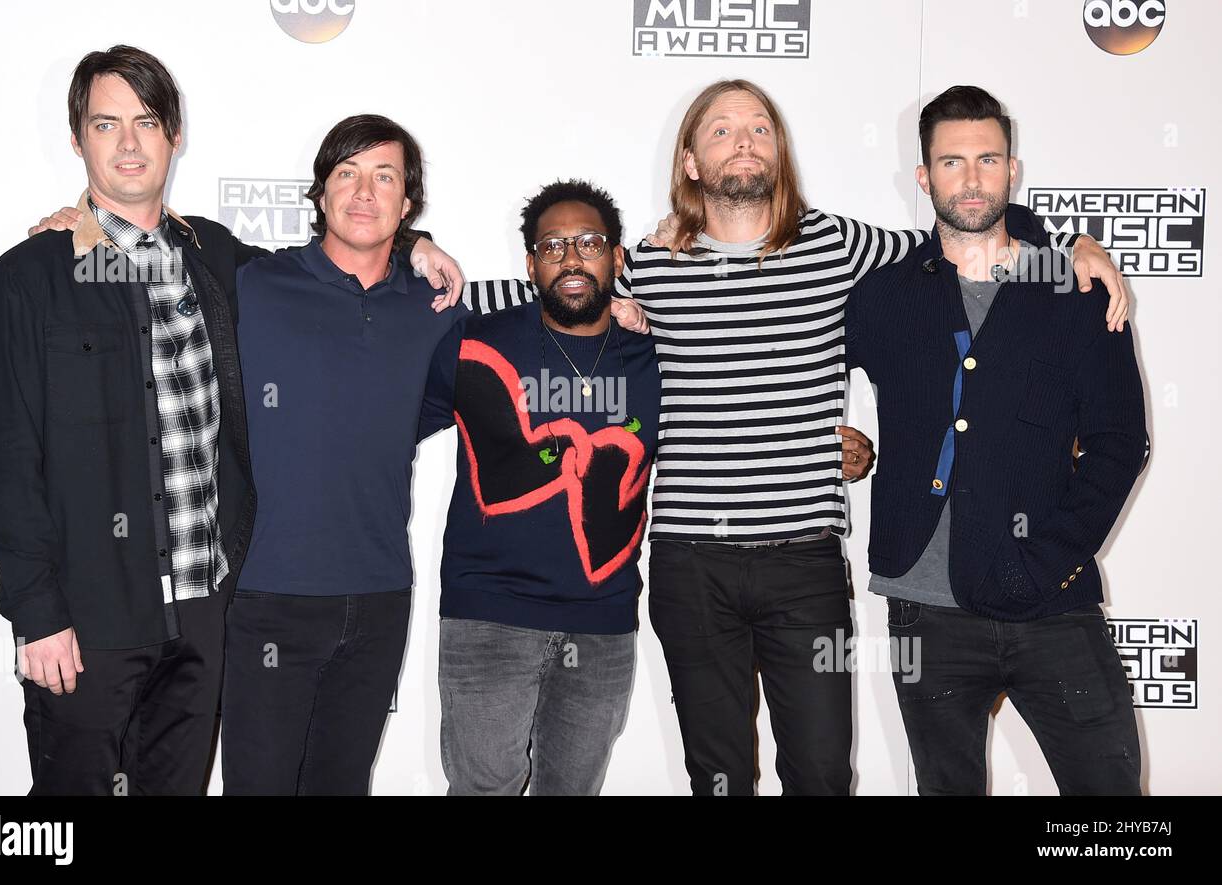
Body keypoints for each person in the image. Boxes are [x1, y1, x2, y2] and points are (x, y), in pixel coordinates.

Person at [474, 78, 1127, 796]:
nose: (743, 140)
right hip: (692, 565)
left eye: (758, 127)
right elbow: (547, 288)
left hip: (807, 563)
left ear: (778, 151)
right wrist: (413, 259)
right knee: (719, 777)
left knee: (821, 774)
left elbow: (966, 232)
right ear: (690, 161)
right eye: (720, 130)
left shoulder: (839, 247)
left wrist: (1069, 242)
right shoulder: (652, 267)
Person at [846, 85, 1147, 795]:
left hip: (1054, 600)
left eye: (988, 159)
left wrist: (1048, 562)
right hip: (925, 607)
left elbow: (1119, 442)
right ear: (923, 178)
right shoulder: (885, 296)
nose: (972, 178)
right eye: (951, 162)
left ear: (1013, 170)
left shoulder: (1075, 291)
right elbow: (785, 355)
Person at [0, 45, 256, 795]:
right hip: (86, 620)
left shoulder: (214, 261)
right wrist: (36, 612)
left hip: (202, 610)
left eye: (147, 122)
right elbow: (7, 459)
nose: (129, 143)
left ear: (175, 135)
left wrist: (414, 245)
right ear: (77, 139)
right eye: (107, 124)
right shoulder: (26, 281)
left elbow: (327, 268)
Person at [220, 115, 468, 795]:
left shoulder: (436, 304)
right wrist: (79, 224)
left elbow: (531, 328)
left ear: (408, 201)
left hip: (379, 595)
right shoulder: (253, 282)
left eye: (384, 177)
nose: (365, 192)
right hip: (269, 594)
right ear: (321, 194)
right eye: (347, 175)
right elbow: (157, 242)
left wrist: (621, 311)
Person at [420, 180, 659, 795]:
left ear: (618, 258)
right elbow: (387, 423)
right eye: (553, 246)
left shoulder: (657, 358)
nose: (572, 257)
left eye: (589, 243)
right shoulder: (476, 341)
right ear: (529, 263)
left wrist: (831, 441)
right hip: (489, 615)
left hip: (603, 619)